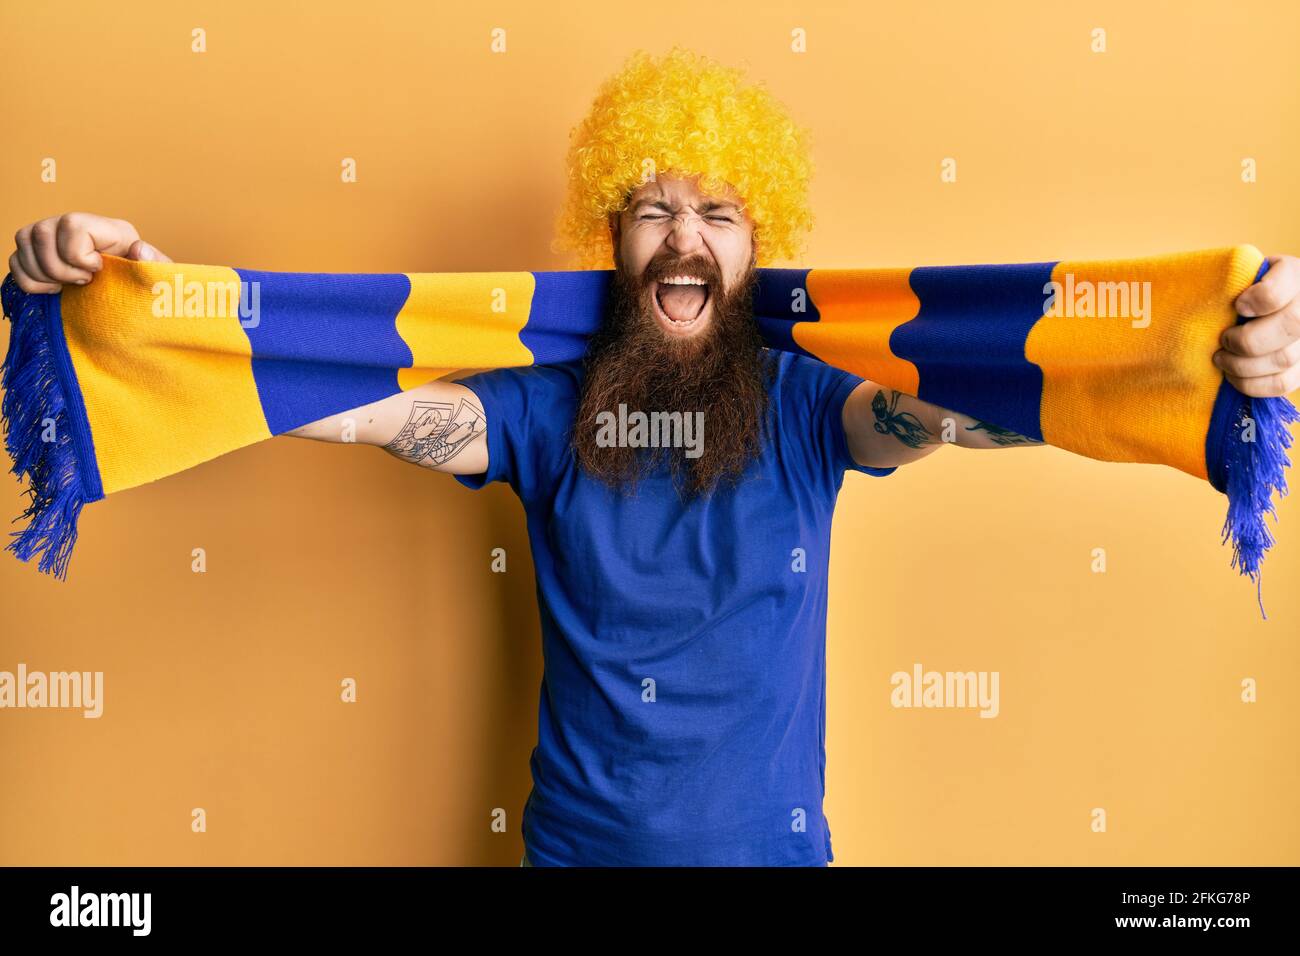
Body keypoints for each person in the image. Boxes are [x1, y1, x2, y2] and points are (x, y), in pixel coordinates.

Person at [10, 49, 1300, 867]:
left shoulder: (812, 405)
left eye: (719, 213)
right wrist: (141, 305)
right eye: (652, 209)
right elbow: (334, 396)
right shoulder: (537, 410)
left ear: (755, 250)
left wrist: (1194, 359)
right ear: (611, 238)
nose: (685, 238)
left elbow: (972, 415)